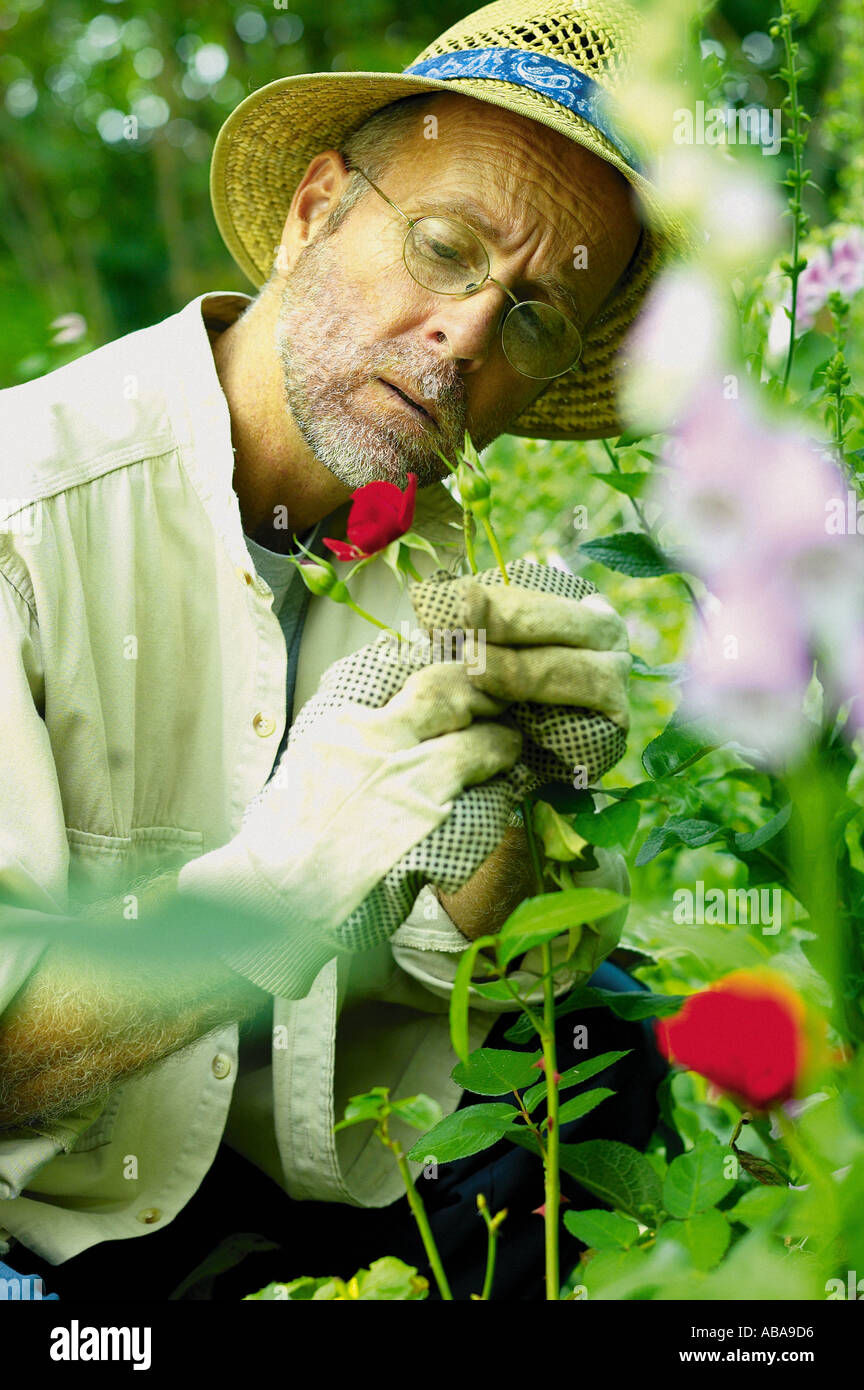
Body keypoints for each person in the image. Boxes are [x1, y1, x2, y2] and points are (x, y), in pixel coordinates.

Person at [0, 0, 679, 1299]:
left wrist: (525, 817)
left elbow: (463, 979)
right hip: (45, 1217)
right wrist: (285, 878)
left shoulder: (443, 563)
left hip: (287, 1184)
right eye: (444, 247)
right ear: (315, 208)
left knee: (616, 1022)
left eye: (534, 315)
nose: (468, 337)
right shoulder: (22, 513)